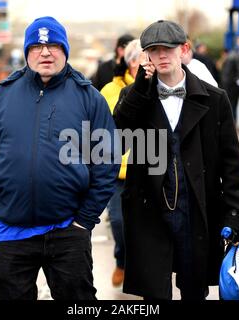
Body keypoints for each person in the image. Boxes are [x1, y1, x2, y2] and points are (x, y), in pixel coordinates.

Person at [0, 16, 120, 300]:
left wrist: (85, 219)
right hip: (11, 233)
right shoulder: (0, 96)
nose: (45, 52)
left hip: (68, 231)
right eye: (38, 46)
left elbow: (106, 162)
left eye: (54, 45)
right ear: (27, 51)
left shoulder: (88, 98)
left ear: (65, 50)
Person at [113, 20, 239, 300]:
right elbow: (117, 141)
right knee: (154, 292)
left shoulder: (215, 99)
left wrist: (237, 216)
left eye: (168, 49)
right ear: (146, 56)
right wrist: (140, 90)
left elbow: (232, 164)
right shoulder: (134, 95)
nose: (161, 55)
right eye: (154, 50)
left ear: (184, 50)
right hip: (150, 213)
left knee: (194, 291)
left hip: (197, 211)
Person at [100, 39, 152, 287]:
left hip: (147, 169)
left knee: (145, 227)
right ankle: (121, 260)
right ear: (129, 62)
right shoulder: (110, 90)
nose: (141, 64)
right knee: (119, 223)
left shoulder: (156, 86)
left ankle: (143, 271)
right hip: (116, 172)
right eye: (137, 59)